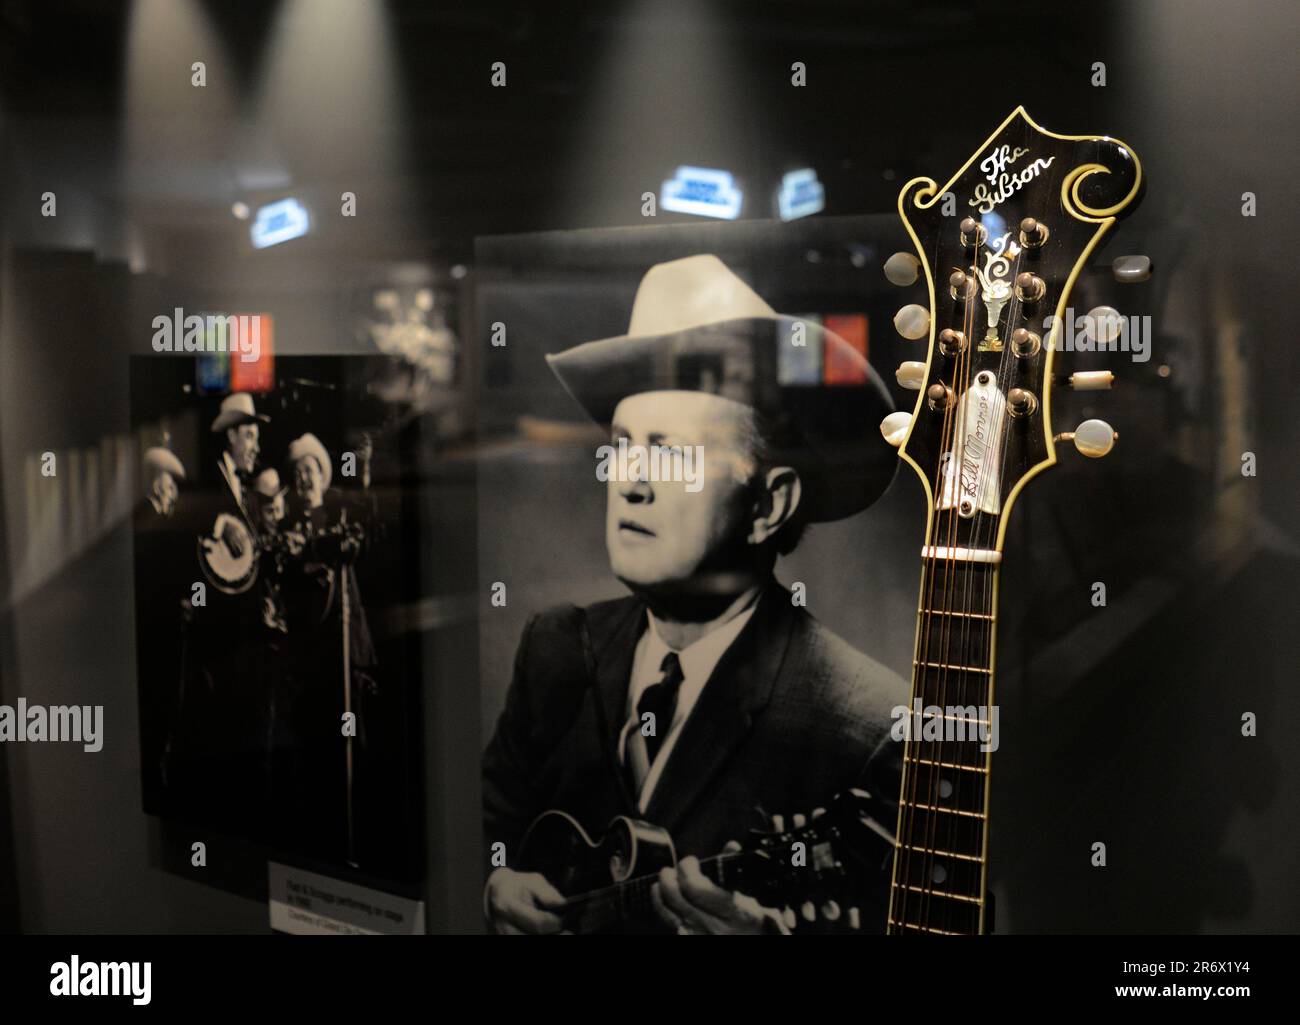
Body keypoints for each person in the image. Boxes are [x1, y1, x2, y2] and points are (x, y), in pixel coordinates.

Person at [482, 254, 908, 935]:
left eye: (674, 453)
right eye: (623, 447)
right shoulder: (554, 648)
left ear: (769, 504)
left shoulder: (866, 725)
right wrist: (496, 881)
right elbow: (498, 819)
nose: (632, 481)